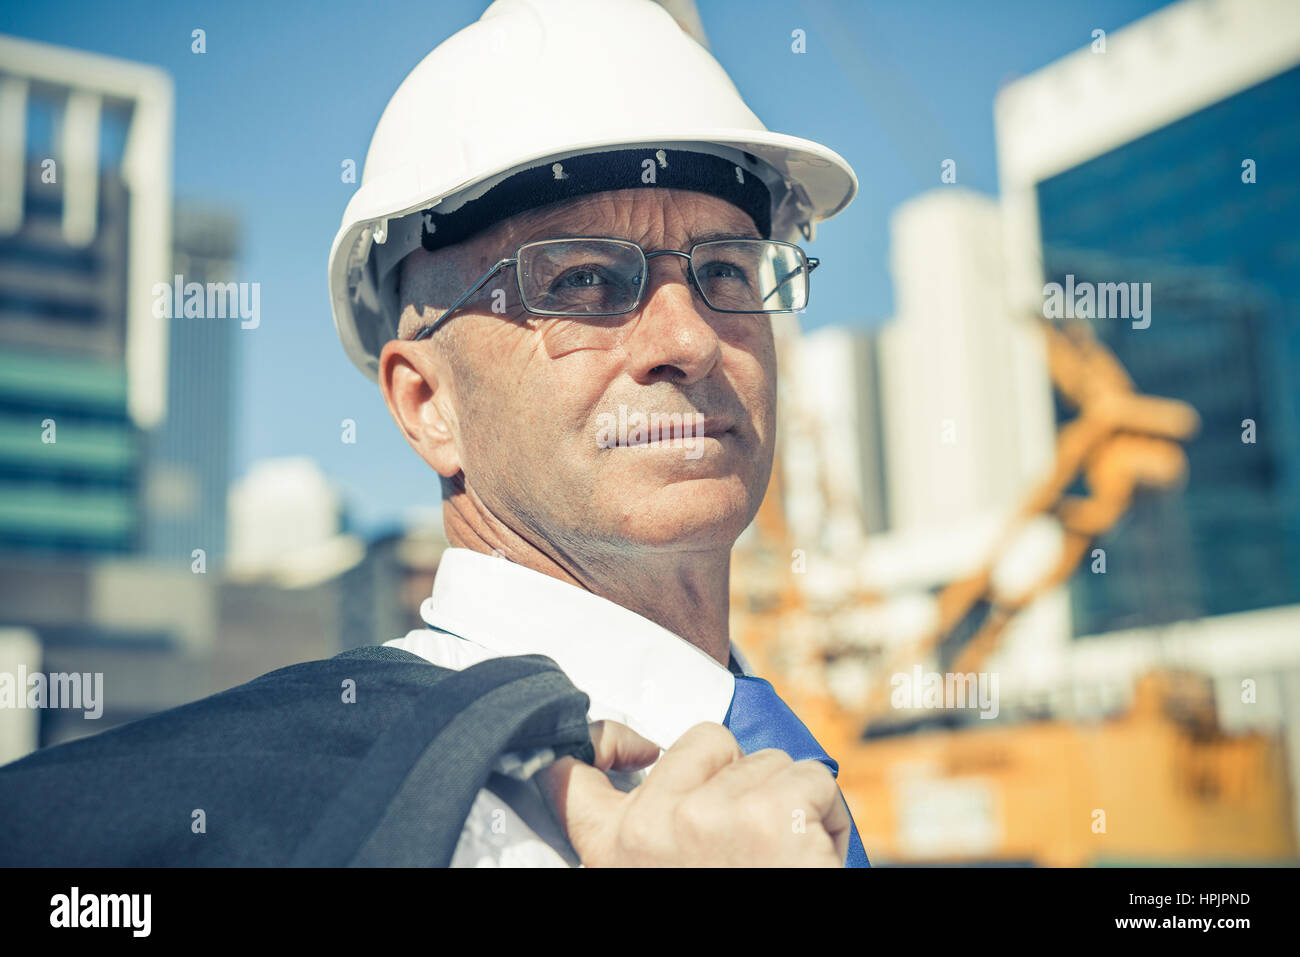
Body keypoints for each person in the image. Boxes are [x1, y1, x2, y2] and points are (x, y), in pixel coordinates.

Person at [327, 0, 866, 866]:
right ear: (429, 403)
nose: (688, 340)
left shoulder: (767, 756)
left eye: (726, 269)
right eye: (580, 279)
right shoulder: (361, 811)